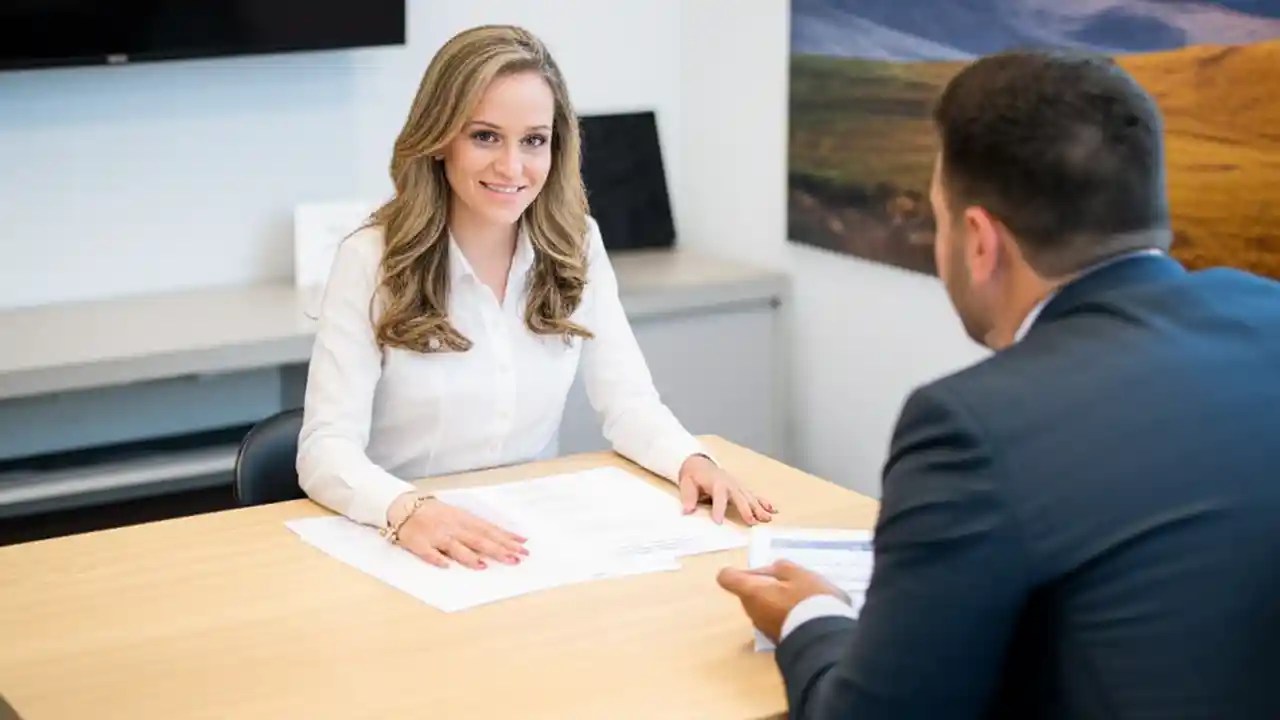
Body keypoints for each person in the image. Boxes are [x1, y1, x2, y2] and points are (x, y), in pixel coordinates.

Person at [718, 49, 1280, 719]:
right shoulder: (1265, 315)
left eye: (938, 216)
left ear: (980, 240)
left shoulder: (972, 425)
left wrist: (811, 617)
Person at [297, 25, 774, 571]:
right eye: (484, 136)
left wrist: (692, 460)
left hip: (524, 541)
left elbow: (629, 404)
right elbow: (324, 449)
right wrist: (407, 510)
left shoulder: (576, 244)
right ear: (439, 140)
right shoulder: (371, 258)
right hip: (402, 538)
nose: (512, 168)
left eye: (533, 140)